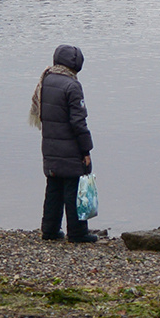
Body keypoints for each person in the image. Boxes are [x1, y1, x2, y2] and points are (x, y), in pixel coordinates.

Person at [30, 44, 97, 243]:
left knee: (53, 189)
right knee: (74, 190)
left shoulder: (46, 79)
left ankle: (49, 231)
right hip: (70, 148)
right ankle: (77, 233)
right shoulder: (72, 86)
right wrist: (86, 149)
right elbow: (78, 122)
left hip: (49, 146)